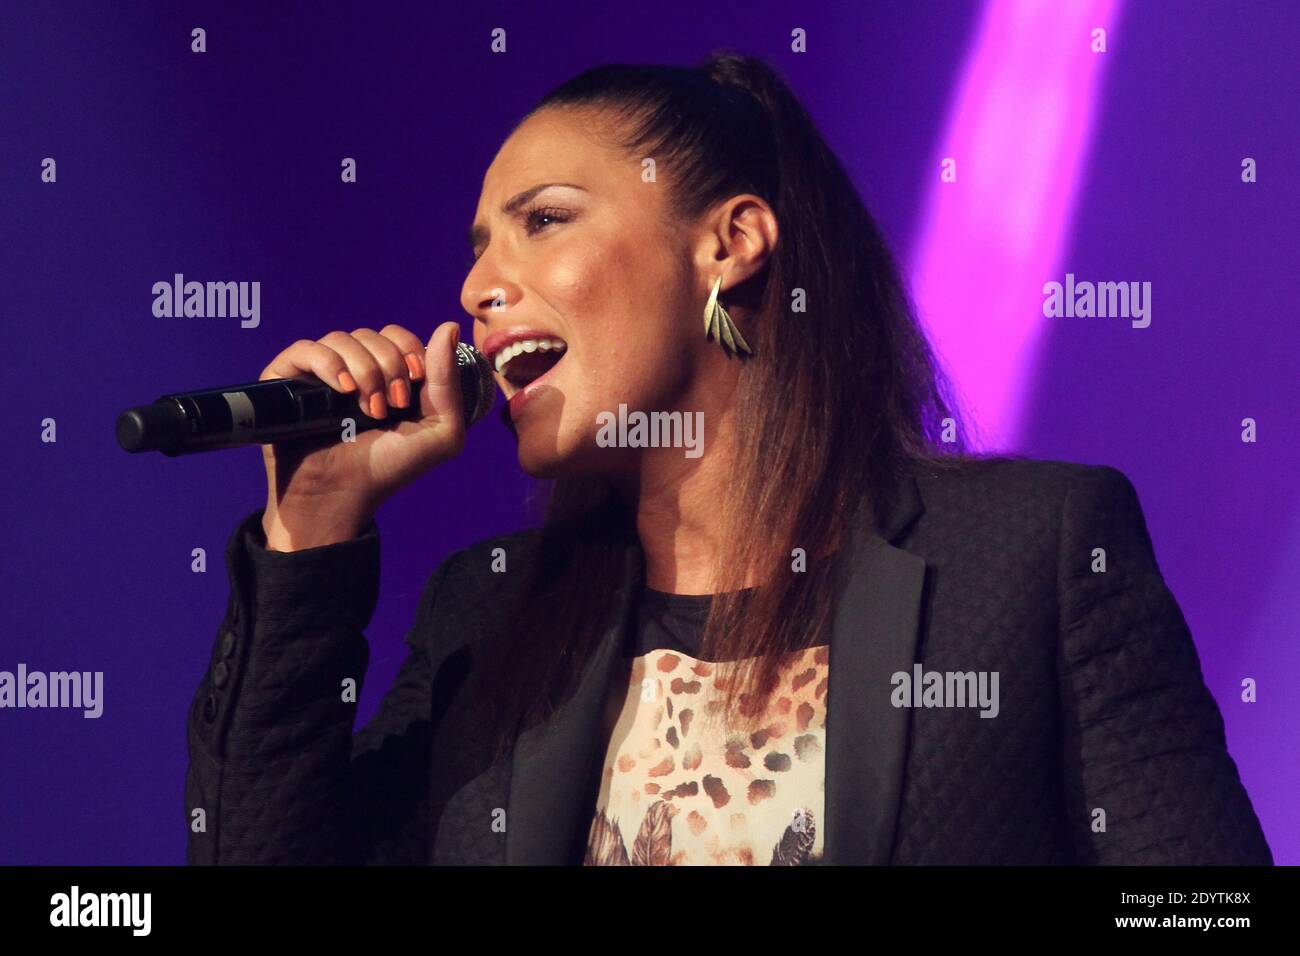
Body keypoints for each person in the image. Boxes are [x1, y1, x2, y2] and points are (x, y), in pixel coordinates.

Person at [185, 52, 1271, 866]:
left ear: (730, 242)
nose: (479, 288)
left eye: (542, 221)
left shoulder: (1032, 551)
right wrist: (311, 529)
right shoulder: (488, 615)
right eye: (476, 250)